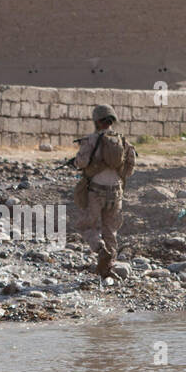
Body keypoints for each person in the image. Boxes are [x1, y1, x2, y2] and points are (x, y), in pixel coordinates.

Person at [73, 104, 135, 278]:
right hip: (116, 192)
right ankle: (108, 268)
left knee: (86, 225)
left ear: (97, 122)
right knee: (111, 230)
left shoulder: (91, 140)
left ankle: (100, 249)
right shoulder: (123, 140)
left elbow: (81, 162)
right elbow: (130, 167)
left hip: (96, 191)